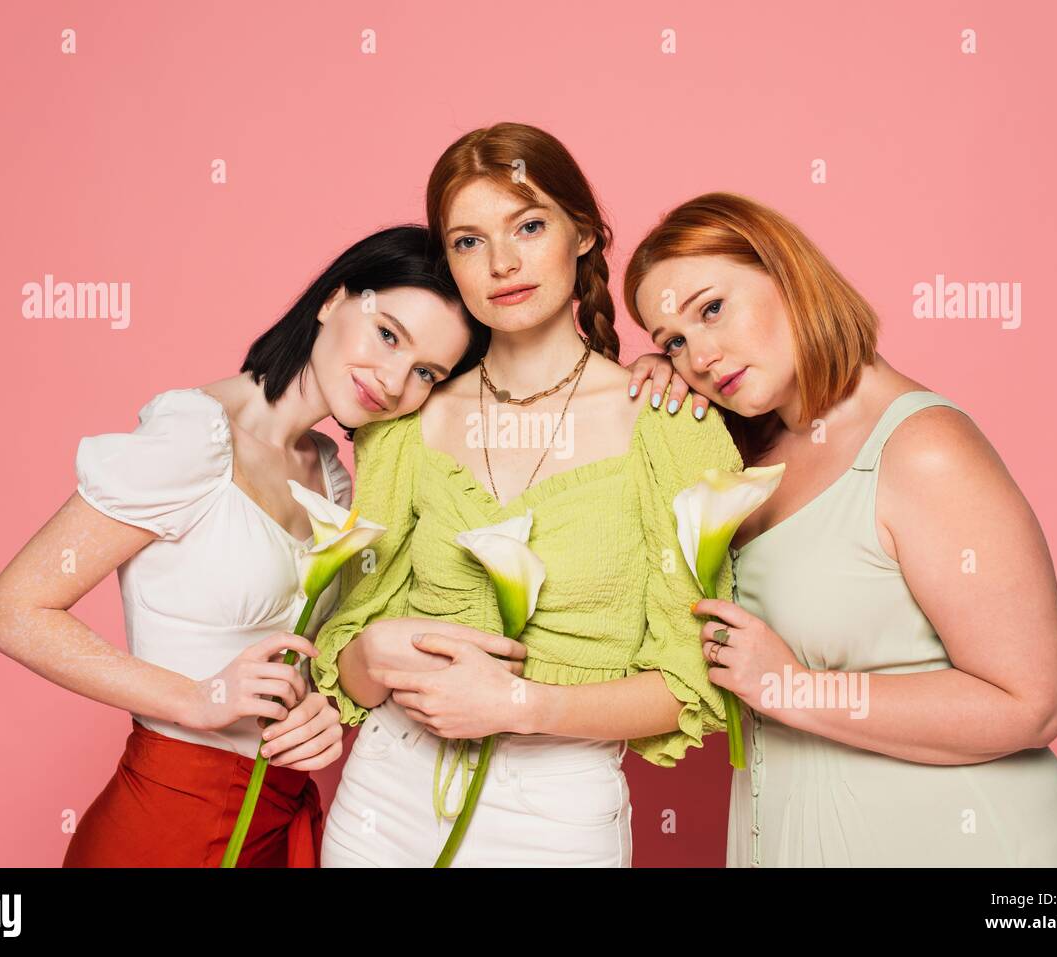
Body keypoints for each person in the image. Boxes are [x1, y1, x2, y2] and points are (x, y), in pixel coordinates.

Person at [0, 225, 486, 866]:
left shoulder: (327, 474)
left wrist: (324, 708)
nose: (392, 379)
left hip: (273, 819)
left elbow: (305, 653)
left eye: (424, 372)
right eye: (387, 334)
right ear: (332, 300)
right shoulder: (194, 439)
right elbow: (11, 611)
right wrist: (196, 698)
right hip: (167, 824)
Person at [312, 123, 741, 867]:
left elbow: (693, 680)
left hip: (555, 814)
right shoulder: (408, 421)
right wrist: (372, 653)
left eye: (529, 225)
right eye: (468, 242)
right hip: (383, 793)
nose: (503, 263)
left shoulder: (671, 425)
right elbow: (345, 656)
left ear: (582, 233)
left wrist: (525, 704)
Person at [625, 191, 1057, 866]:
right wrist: (651, 401)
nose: (699, 353)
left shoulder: (922, 448)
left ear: (786, 272)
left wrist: (795, 687)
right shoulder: (748, 455)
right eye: (673, 340)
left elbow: (1034, 704)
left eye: (712, 308)